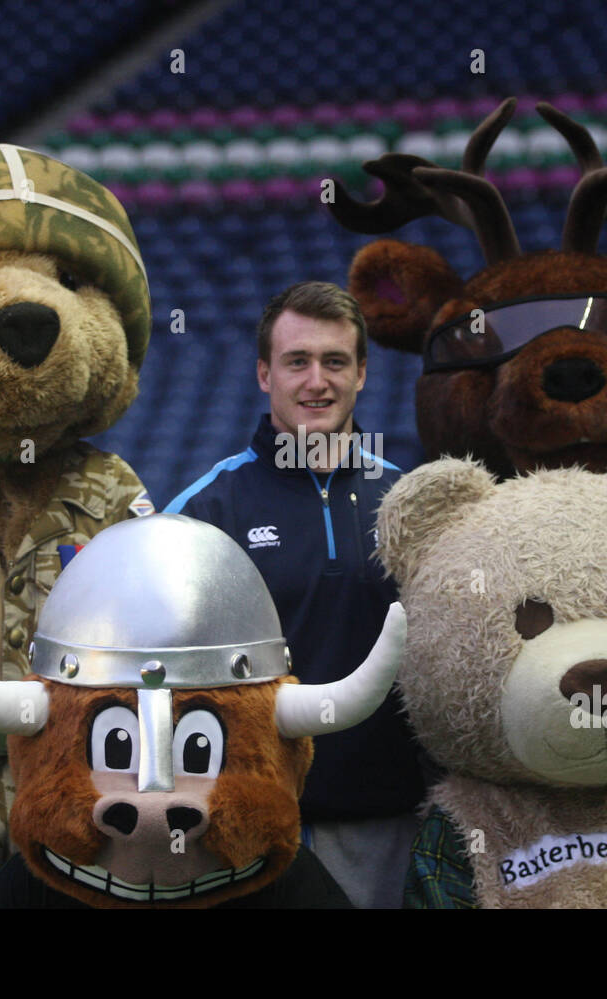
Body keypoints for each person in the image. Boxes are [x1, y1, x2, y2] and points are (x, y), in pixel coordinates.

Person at [164, 281, 422, 908]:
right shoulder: (204, 510)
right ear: (263, 373)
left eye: (335, 362)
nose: (317, 381)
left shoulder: (413, 501)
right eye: (296, 361)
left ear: (361, 373)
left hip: (397, 824)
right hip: (258, 830)